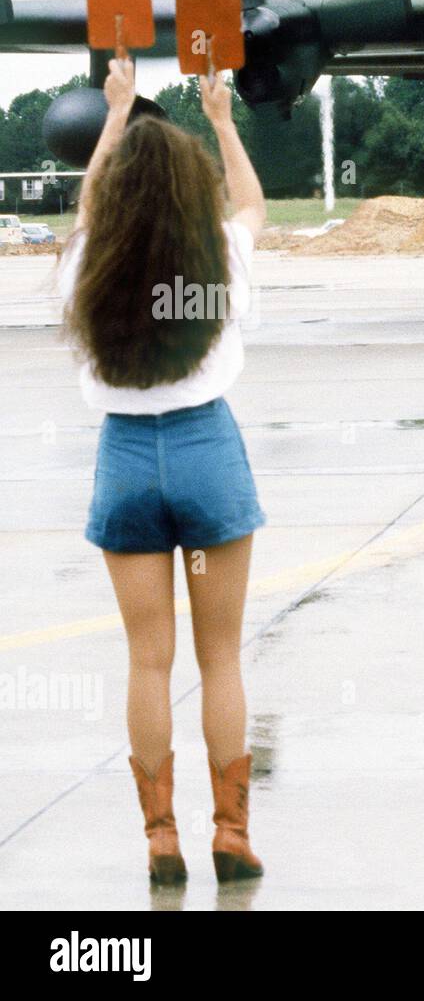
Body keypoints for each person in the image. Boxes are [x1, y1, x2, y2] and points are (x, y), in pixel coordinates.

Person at [60, 56, 268, 885]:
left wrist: (115, 114)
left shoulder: (89, 261)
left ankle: (158, 838)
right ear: (190, 188)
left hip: (126, 463)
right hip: (205, 455)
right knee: (221, 659)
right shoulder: (216, 253)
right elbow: (252, 203)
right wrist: (220, 120)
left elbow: (86, 207)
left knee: (149, 661)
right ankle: (232, 832)